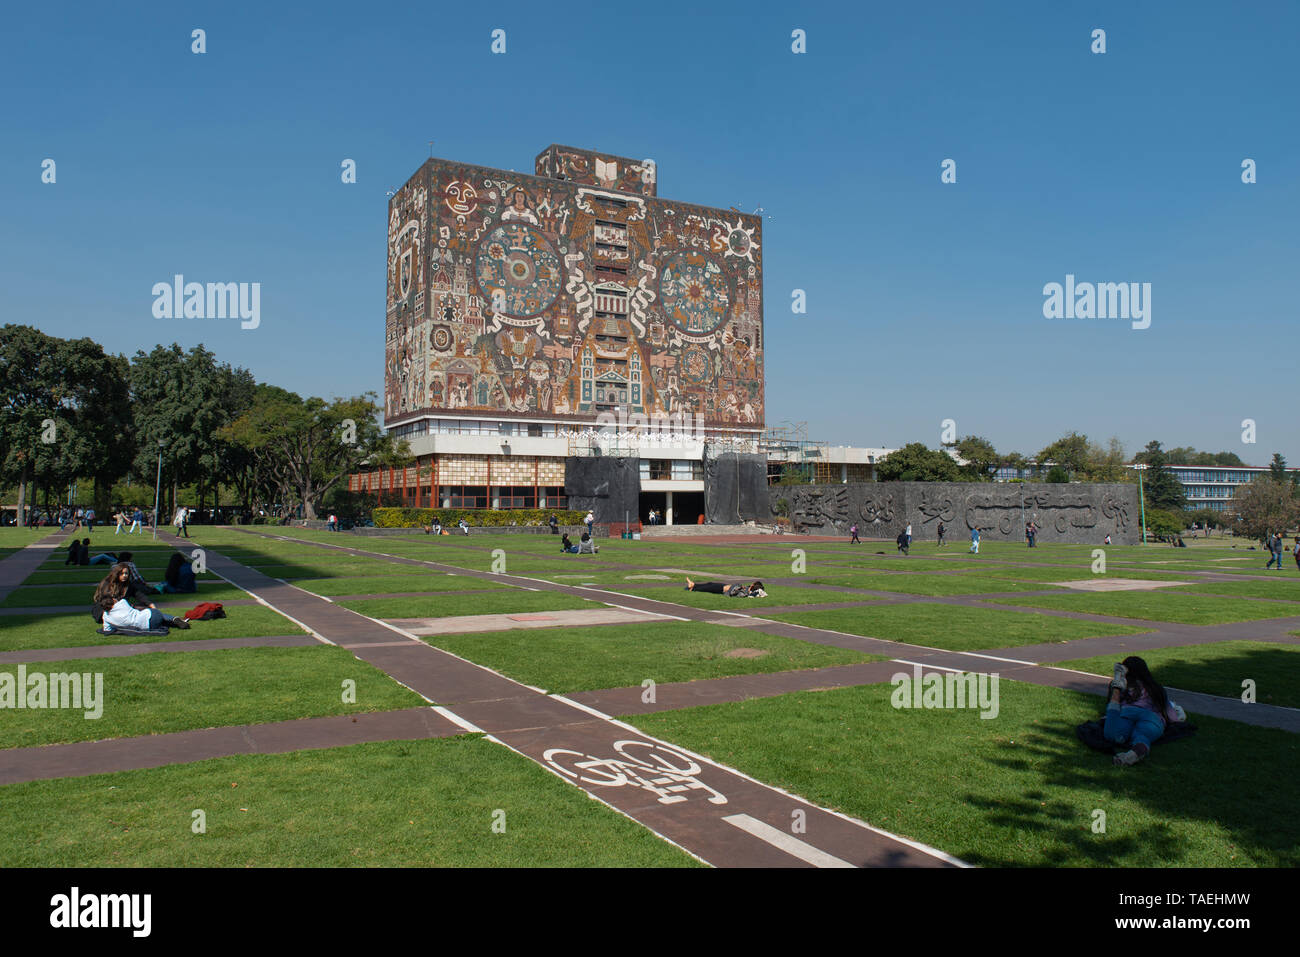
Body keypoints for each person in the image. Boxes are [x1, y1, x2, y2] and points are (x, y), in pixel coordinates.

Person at [1105, 656, 1186, 767]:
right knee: (1142, 736)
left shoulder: (1126, 686)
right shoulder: (1156, 688)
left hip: (1127, 713)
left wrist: (1116, 688)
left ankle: (1116, 686)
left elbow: (1113, 705)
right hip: (1152, 718)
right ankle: (1135, 752)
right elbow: (1171, 716)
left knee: (1114, 736)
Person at [95, 563, 191, 632]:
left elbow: (139, 595)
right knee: (147, 613)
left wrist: (150, 604)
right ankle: (174, 619)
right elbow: (104, 601)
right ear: (116, 574)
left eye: (126, 573)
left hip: (123, 611)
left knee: (146, 611)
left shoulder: (128, 585)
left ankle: (174, 620)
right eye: (122, 573)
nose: (124, 576)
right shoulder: (108, 584)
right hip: (105, 611)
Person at [684, 578, 766, 598]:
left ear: (753, 585)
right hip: (724, 586)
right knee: (710, 583)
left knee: (708, 588)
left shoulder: (745, 592)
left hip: (722, 589)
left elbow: (733, 592)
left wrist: (739, 586)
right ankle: (693, 585)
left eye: (753, 583)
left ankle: (692, 588)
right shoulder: (747, 589)